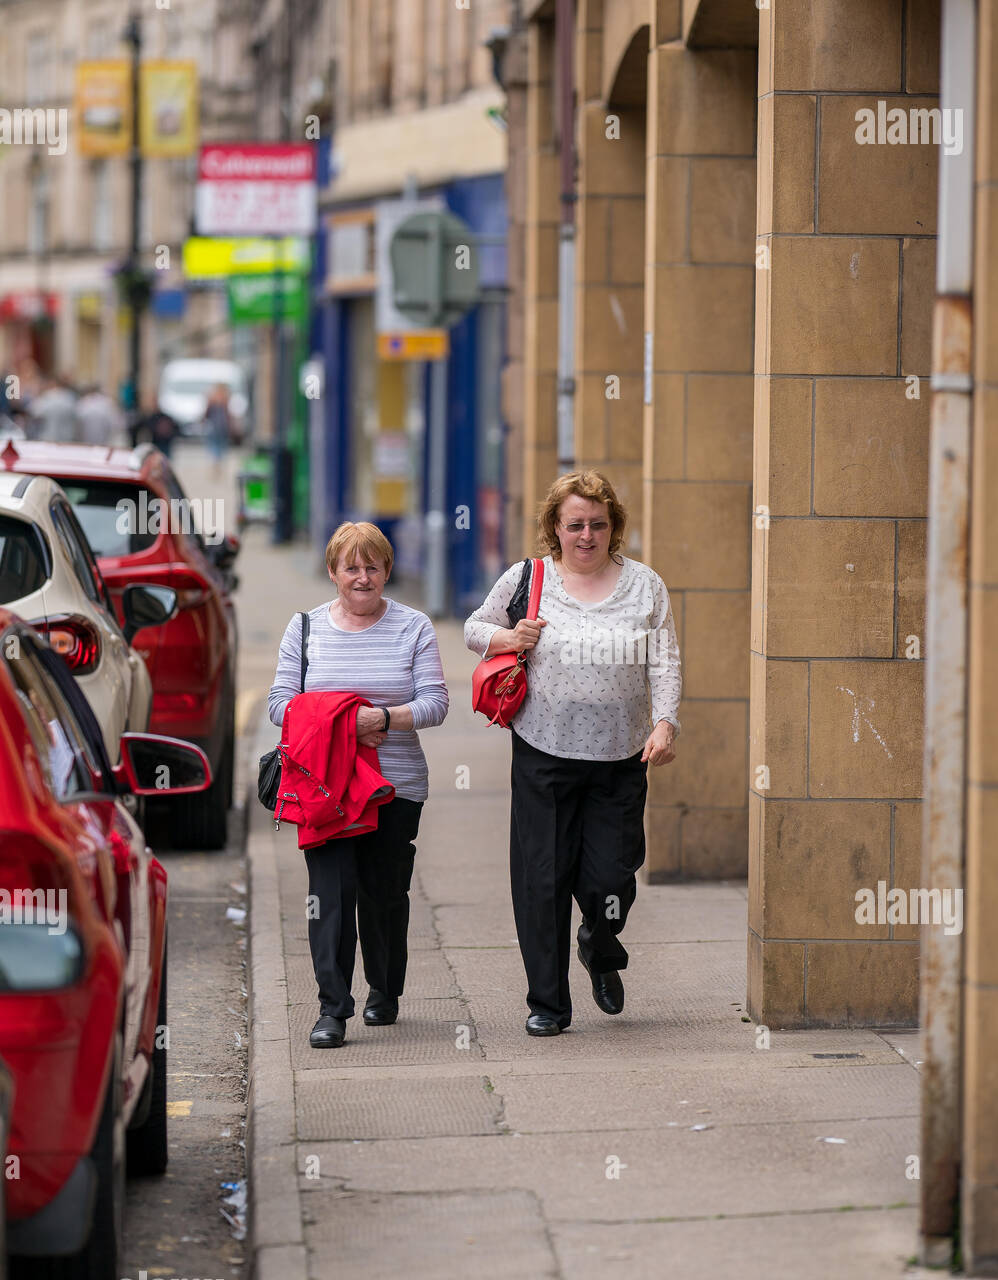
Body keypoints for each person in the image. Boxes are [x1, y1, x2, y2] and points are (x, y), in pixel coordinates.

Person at [465, 470, 681, 1037]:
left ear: (614, 528)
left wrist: (665, 721)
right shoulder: (528, 578)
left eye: (598, 524)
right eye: (575, 524)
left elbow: (664, 659)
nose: (587, 535)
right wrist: (510, 638)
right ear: (555, 528)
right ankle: (547, 1003)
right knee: (542, 876)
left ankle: (599, 944)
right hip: (543, 749)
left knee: (612, 875)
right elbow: (473, 628)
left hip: (622, 753)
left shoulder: (645, 585)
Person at [267, 522, 449, 1048]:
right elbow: (280, 704)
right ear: (333, 573)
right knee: (330, 894)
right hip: (324, 788)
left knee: (383, 894)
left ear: (388, 571)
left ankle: (385, 989)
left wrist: (384, 721)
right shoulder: (304, 629)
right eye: (352, 567)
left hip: (395, 785)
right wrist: (344, 720)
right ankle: (331, 1009)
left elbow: (435, 703)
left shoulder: (414, 626)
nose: (363, 577)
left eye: (373, 566)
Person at [27, 375, 78, 442]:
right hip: (67, 438)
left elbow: (33, 412)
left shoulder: (46, 396)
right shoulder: (70, 397)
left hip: (48, 437)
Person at [203, 384, 231, 468]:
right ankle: (218, 459)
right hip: (222, 425)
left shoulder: (212, 400)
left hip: (214, 425)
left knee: (214, 443)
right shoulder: (225, 400)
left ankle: (216, 459)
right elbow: (227, 415)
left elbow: (206, 414)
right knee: (220, 443)